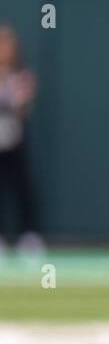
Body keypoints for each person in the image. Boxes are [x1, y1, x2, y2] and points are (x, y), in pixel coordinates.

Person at [0, 24, 39, 253]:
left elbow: (23, 107)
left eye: (7, 45)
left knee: (22, 187)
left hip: (15, 140)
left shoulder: (22, 75)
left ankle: (30, 237)